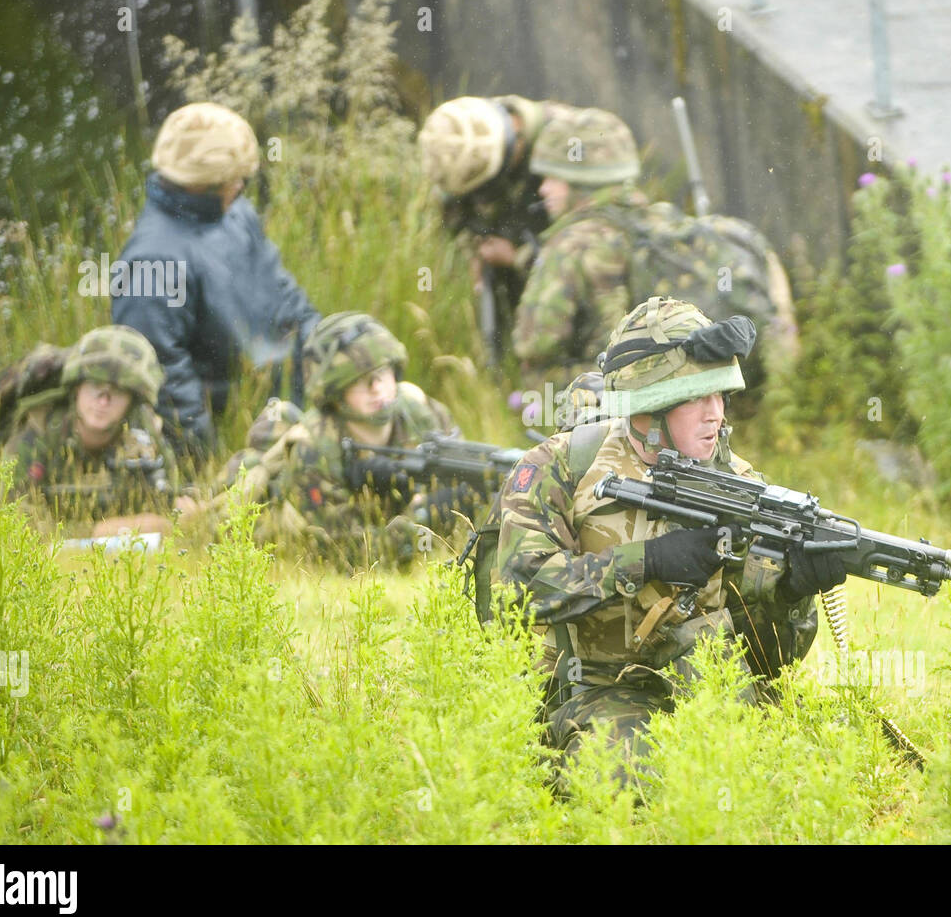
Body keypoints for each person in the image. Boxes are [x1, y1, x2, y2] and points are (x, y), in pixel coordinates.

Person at [494, 297, 843, 788]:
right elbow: (519, 589)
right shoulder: (564, 466)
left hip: (712, 685)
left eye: (721, 396)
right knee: (628, 779)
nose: (715, 414)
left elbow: (768, 660)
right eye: (697, 397)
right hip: (599, 688)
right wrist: (647, 562)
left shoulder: (740, 485)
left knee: (811, 774)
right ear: (648, 404)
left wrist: (791, 596)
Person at [512, 108, 799, 397]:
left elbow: (535, 345)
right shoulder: (663, 219)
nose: (544, 189)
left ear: (581, 182)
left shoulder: (570, 245)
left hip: (631, 392)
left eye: (553, 178)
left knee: (536, 381)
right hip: (718, 384)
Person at [112, 101, 320, 463]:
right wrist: (205, 459)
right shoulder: (151, 260)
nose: (241, 185)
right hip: (225, 421)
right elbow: (165, 379)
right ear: (202, 184)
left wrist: (325, 350)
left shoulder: (234, 212)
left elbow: (283, 292)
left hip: (279, 392)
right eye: (233, 179)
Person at [265, 312, 473, 569]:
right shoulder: (314, 447)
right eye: (362, 381)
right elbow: (342, 556)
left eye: (382, 373)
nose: (377, 388)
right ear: (336, 392)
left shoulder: (421, 411)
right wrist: (420, 519)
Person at [417, 95, 579, 355]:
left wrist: (518, 257)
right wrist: (473, 253)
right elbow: (454, 219)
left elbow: (586, 264)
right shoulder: (456, 145)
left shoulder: (569, 140)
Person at [0, 325, 182, 538]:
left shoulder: (144, 437)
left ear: (133, 402)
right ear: (77, 388)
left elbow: (167, 508)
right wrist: (101, 531)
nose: (103, 401)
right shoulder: (38, 430)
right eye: (95, 385)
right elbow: (14, 526)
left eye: (118, 390)